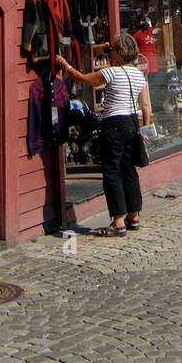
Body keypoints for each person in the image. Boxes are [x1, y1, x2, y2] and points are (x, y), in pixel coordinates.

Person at [57, 32, 152, 236]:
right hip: (130, 123)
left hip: (114, 123)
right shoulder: (138, 74)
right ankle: (133, 216)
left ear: (120, 52)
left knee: (111, 171)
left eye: (113, 50)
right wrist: (145, 128)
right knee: (129, 170)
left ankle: (118, 221)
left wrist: (65, 65)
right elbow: (146, 106)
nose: (111, 54)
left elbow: (83, 79)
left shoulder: (111, 72)